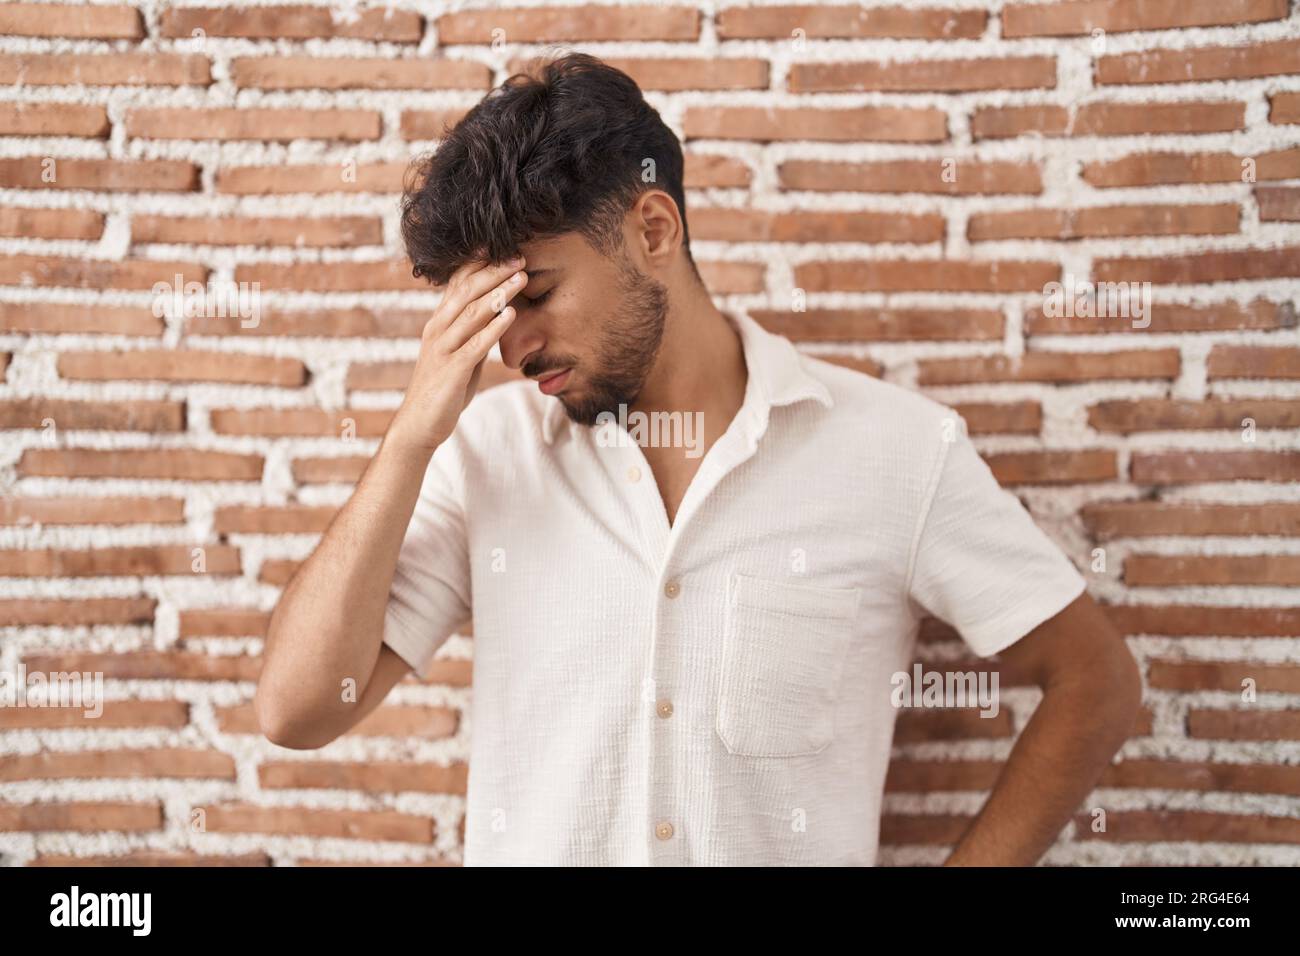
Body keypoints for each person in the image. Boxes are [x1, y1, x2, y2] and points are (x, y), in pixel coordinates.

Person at [255, 52, 1142, 866]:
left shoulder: (896, 451)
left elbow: (1092, 681)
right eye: (485, 312)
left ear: (652, 229)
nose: (509, 347)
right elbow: (296, 711)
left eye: (535, 294)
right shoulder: (487, 457)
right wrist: (412, 434)